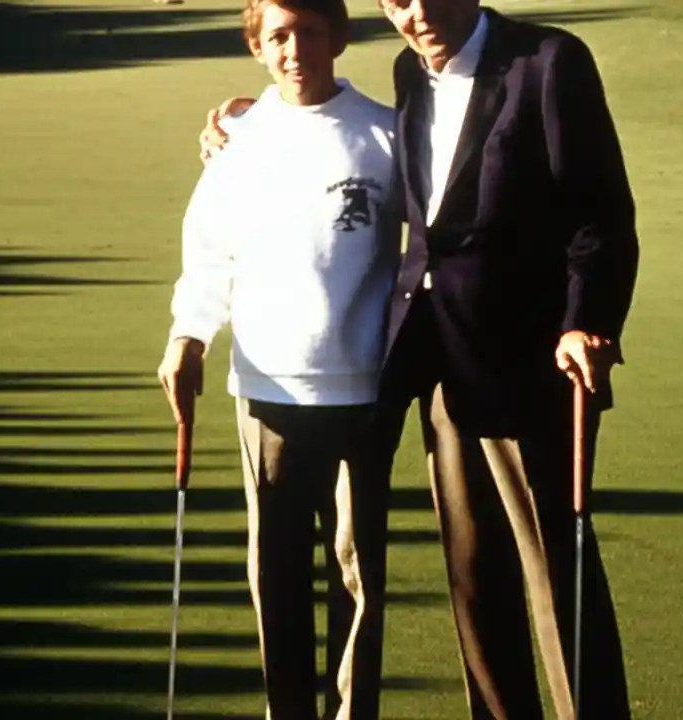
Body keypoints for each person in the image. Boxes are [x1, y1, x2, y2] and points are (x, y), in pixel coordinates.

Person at [202, 0, 639, 716]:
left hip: (533, 368)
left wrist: (585, 322)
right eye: (399, 0)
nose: (418, 12)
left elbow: (601, 214)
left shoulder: (548, 62)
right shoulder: (411, 73)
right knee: (475, 582)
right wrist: (252, 118)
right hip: (443, 368)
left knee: (556, 578)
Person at [156, 1, 401, 718]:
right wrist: (188, 335)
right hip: (268, 388)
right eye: (278, 37)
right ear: (258, 48)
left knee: (359, 576)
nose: (295, 50)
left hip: (364, 389)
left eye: (309, 33)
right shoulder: (239, 139)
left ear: (339, 37)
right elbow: (209, 249)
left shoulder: (386, 133)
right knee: (277, 571)